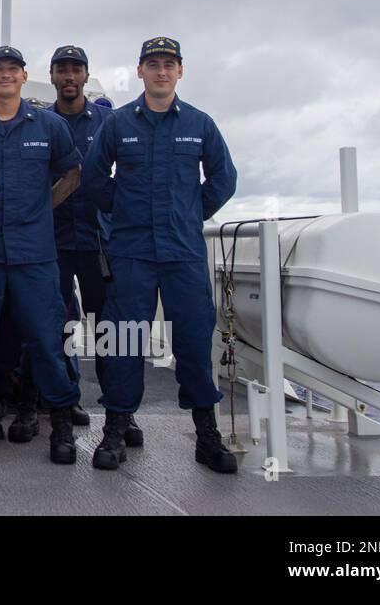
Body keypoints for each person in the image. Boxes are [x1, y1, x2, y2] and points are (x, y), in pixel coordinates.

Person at [82, 36, 239, 473]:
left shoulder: (200, 123)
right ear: (140, 71)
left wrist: (190, 214)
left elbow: (224, 179)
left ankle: (206, 436)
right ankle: (115, 430)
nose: (161, 71)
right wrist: (124, 208)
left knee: (191, 340)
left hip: (182, 252)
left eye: (169, 64)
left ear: (180, 71)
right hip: (131, 251)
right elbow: (94, 177)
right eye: (153, 64)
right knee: (125, 340)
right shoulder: (117, 125)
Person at [0, 46, 83, 462]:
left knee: (45, 340)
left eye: (13, 69)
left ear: (25, 76)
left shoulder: (49, 126)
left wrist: (44, 206)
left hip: (34, 254)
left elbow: (73, 173)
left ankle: (60, 421)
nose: (5, 76)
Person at [42, 44, 133, 443]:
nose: (68, 76)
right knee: (56, 323)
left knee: (109, 326)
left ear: (85, 75)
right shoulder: (39, 123)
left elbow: (132, 168)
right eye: (61, 69)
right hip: (53, 239)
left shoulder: (110, 121)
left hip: (100, 240)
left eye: (75, 69)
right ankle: (65, 400)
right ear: (52, 76)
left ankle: (121, 410)